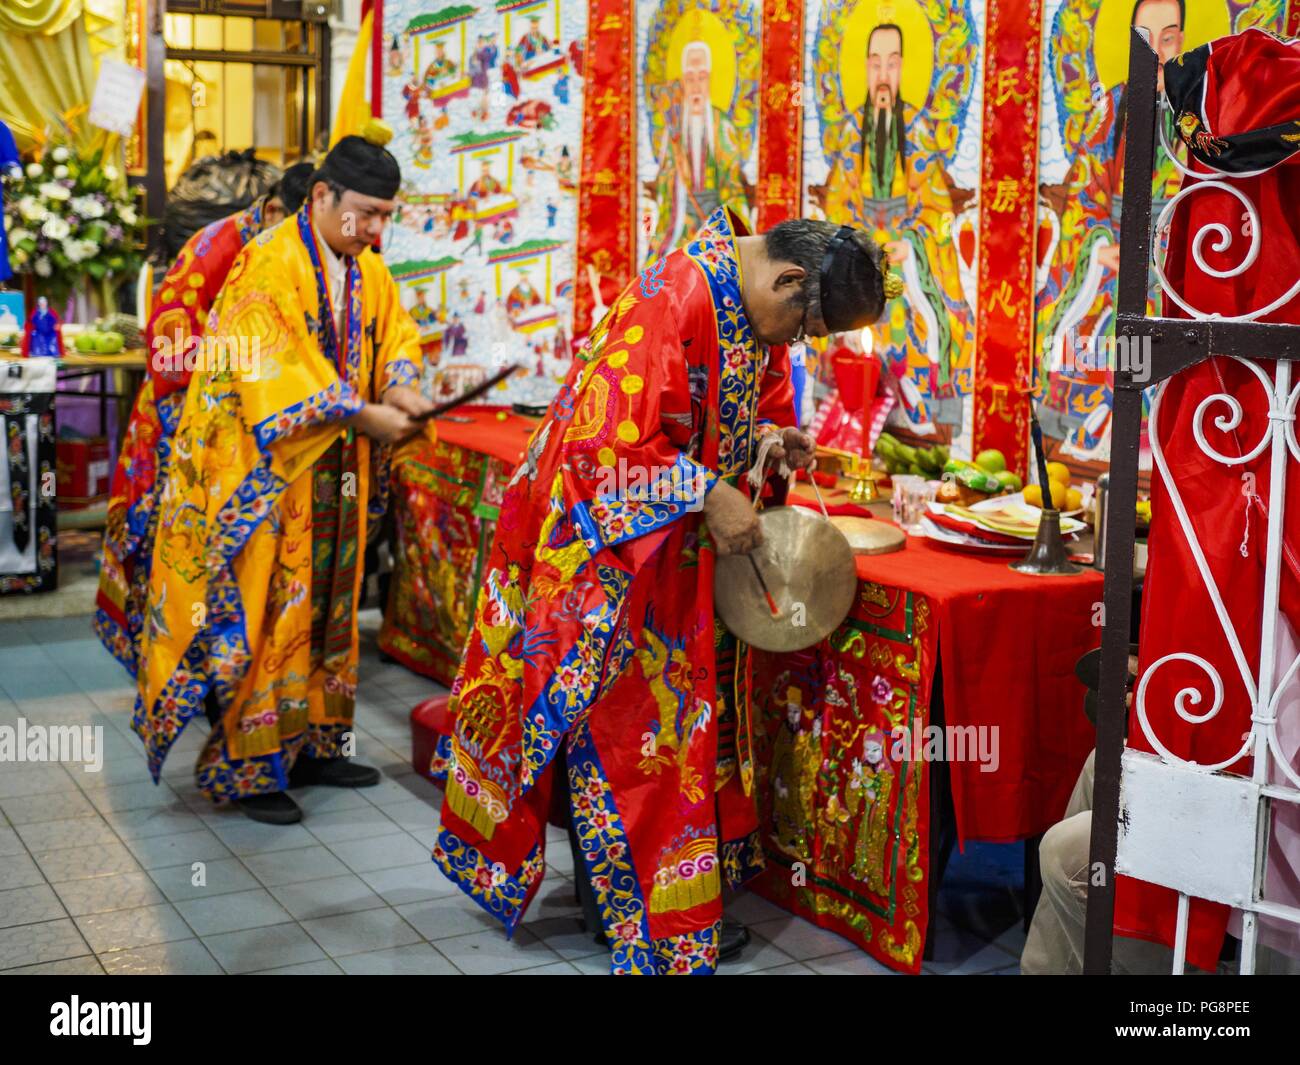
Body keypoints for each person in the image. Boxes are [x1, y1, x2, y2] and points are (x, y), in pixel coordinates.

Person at [430, 210, 897, 973]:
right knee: (625, 730)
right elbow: (600, 450)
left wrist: (773, 440)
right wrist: (709, 491)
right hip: (594, 548)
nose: (797, 344)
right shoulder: (674, 297)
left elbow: (749, 408)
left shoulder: (745, 299)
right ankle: (629, 911)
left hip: (661, 549)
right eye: (805, 325)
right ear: (786, 278)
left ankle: (632, 900)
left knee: (657, 729)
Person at [133, 122, 434, 825]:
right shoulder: (267, 262)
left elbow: (396, 336)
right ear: (324, 195)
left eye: (388, 216)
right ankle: (251, 764)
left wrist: (403, 386)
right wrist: (363, 413)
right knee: (274, 610)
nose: (375, 228)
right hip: (265, 473)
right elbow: (274, 369)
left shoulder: (369, 269)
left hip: (336, 471)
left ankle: (317, 743)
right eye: (368, 212)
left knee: (332, 605)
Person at [96, 161, 315, 676]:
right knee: (177, 548)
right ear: (278, 210)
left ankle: (236, 669)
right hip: (186, 422)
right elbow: (169, 351)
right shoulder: (213, 247)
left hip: (251, 426)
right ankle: (179, 670)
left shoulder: (288, 247)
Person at [821, 22, 971, 415]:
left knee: (934, 312)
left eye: (891, 64)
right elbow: (838, 200)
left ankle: (915, 395)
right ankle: (850, 403)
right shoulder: (851, 132)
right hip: (860, 249)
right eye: (875, 64)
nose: (883, 76)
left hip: (907, 250)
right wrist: (857, 241)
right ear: (865, 70)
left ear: (902, 68)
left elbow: (937, 205)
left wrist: (914, 241)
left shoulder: (918, 131)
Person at [649, 40, 750, 261]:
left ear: (710, 81)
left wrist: (725, 228)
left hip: (715, 224)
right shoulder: (674, 129)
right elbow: (665, 187)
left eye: (701, 78)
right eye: (690, 79)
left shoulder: (722, 126)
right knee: (657, 269)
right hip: (678, 223)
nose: (696, 87)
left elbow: (732, 186)